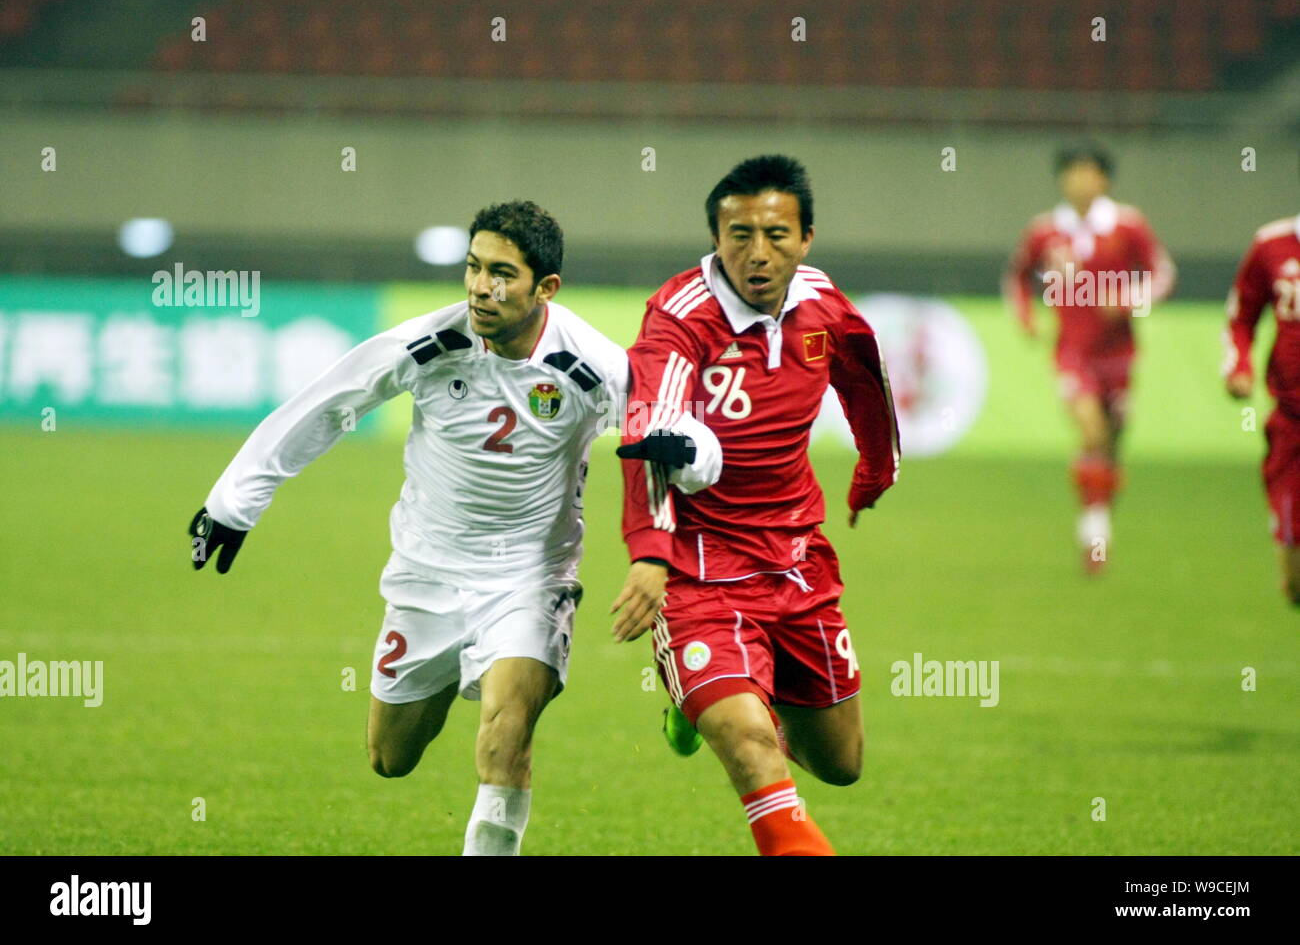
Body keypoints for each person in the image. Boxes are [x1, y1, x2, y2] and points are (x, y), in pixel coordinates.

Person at [187, 200, 630, 855]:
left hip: (531, 580)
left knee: (506, 740)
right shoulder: (427, 343)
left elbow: (666, 433)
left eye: (502, 273)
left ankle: (499, 678)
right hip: (428, 577)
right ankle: (458, 665)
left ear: (547, 288)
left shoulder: (597, 365)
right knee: (390, 757)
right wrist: (234, 503)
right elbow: (329, 403)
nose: (482, 286)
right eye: (474, 267)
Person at [610, 155, 900, 856]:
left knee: (841, 764)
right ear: (715, 237)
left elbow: (865, 378)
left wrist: (874, 470)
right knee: (753, 747)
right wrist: (651, 555)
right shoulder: (680, 318)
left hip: (797, 565)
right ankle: (711, 694)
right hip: (698, 573)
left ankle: (698, 699)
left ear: (806, 239)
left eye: (775, 234)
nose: (756, 253)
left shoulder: (823, 304)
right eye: (737, 235)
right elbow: (649, 431)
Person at [1003, 144, 1175, 573]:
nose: (1080, 181)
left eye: (1089, 173)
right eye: (1073, 173)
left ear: (1105, 180)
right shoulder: (1045, 231)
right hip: (1072, 352)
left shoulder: (1127, 225)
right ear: (1063, 180)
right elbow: (1018, 276)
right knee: (1092, 431)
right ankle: (1094, 537)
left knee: (1112, 447)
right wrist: (1025, 317)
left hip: (1118, 353)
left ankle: (1097, 516)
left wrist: (1132, 299)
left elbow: (1162, 272)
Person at [1224, 211, 1300, 604]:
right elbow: (1241, 316)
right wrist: (1238, 366)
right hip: (1291, 422)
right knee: (1295, 583)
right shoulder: (1272, 244)